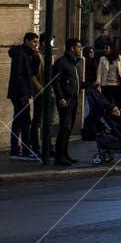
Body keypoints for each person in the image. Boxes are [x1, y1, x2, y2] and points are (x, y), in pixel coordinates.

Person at [5, 32, 41, 161]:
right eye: (34, 42)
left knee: (19, 121)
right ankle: (24, 151)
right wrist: (23, 93)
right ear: (26, 40)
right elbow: (18, 75)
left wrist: (36, 57)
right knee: (25, 121)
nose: (36, 44)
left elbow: (33, 72)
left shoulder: (29, 54)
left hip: (23, 92)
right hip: (20, 93)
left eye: (37, 42)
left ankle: (16, 150)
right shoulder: (20, 53)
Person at [49, 39, 84, 167]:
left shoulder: (74, 63)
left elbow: (76, 82)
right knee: (65, 127)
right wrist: (61, 97)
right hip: (66, 100)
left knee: (68, 128)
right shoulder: (61, 63)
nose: (80, 49)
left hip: (74, 99)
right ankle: (59, 156)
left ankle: (65, 154)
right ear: (71, 48)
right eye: (79, 47)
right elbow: (56, 81)